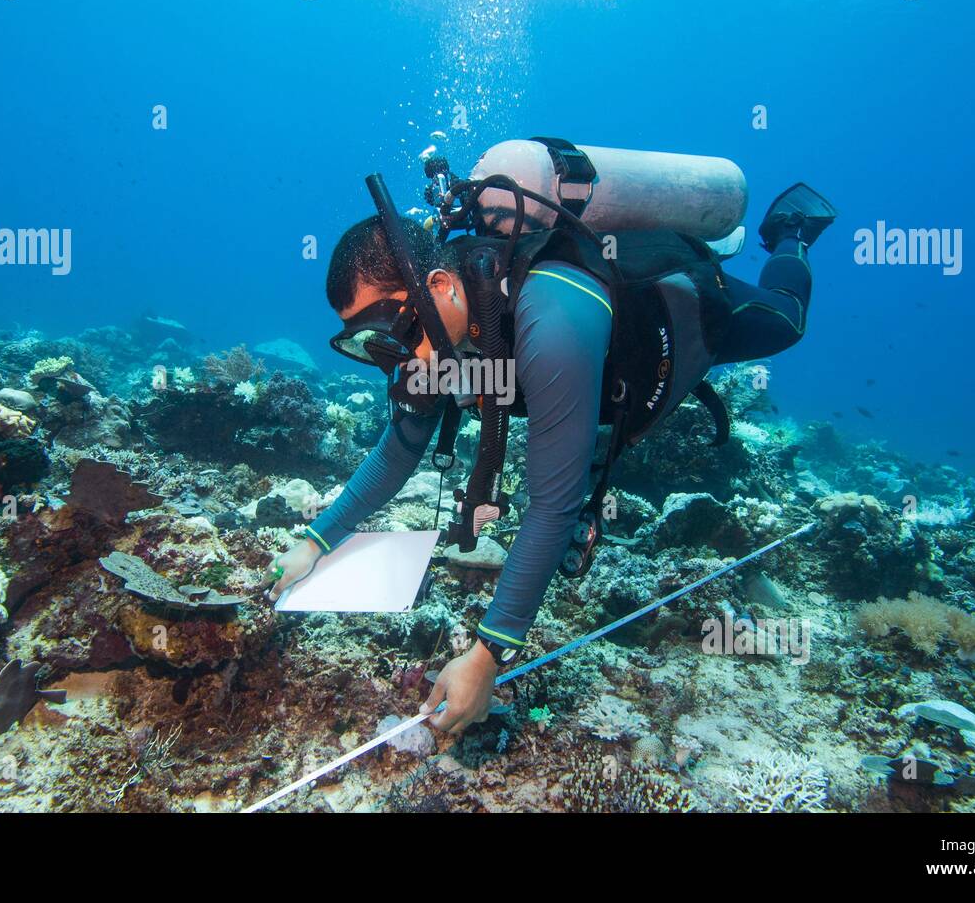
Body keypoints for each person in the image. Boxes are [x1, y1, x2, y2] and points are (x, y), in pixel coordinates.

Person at [266, 183, 835, 733]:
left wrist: (486, 656)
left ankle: (791, 230)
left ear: (439, 285)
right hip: (594, 376)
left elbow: (554, 504)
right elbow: (399, 452)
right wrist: (314, 542)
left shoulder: (552, 317)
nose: (392, 360)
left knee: (785, 320)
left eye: (388, 333)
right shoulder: (435, 332)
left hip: (685, 322)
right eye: (366, 345)